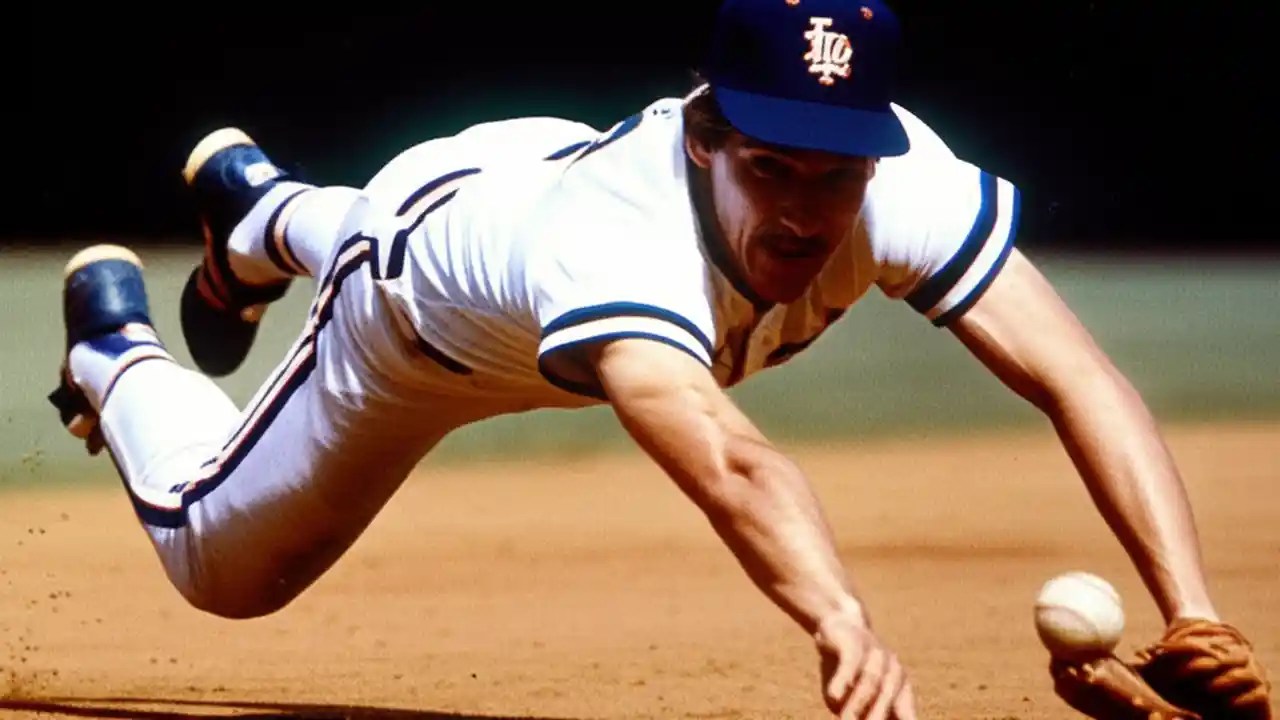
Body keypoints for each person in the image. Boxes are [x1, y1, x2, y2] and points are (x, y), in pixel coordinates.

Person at [48, 0, 1270, 718]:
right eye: (770, 165)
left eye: (835, 173)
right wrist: (837, 615)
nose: (804, 209)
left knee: (413, 225)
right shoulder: (614, 245)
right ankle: (114, 348)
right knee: (227, 571)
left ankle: (258, 207)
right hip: (417, 330)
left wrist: (1194, 615)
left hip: (503, 203)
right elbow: (729, 461)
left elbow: (1076, 378)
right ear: (702, 138)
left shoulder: (903, 180)